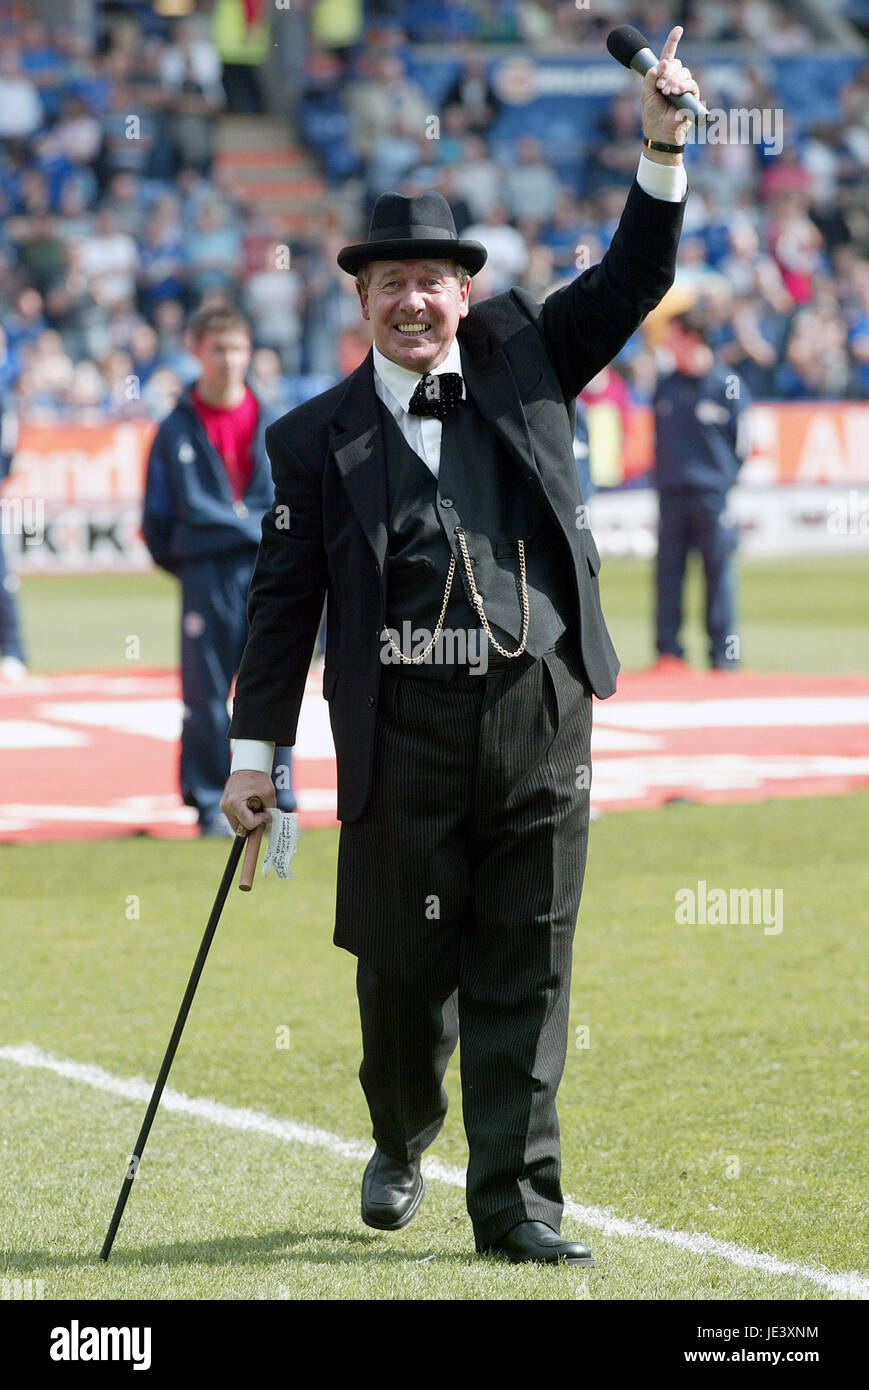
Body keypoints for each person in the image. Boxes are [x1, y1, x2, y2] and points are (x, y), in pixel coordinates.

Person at [221, 28, 699, 1264]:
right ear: (361, 299)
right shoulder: (309, 439)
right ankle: (399, 1128)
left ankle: (517, 1205)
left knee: (525, 966)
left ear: (464, 291)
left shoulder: (528, 355)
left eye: (435, 277)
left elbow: (633, 274)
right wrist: (251, 750)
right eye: (392, 281)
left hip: (540, 715)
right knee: (397, 978)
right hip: (401, 733)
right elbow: (280, 605)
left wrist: (660, 142)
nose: (416, 298)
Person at [142, 304, 296, 835]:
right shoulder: (174, 429)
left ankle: (279, 798)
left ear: (249, 352)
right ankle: (209, 802)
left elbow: (296, 504)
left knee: (274, 684)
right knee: (204, 695)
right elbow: (156, 522)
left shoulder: (275, 420)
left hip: (267, 572)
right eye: (218, 350)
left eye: (237, 349)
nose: (229, 361)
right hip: (206, 577)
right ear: (196, 354)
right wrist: (196, 560)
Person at [652, 308, 751, 672]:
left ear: (691, 338)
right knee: (668, 574)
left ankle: (724, 656)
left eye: (672, 335)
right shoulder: (665, 384)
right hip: (671, 494)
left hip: (712, 496)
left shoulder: (727, 384)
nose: (665, 343)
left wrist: (725, 482)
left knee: (719, 574)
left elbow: (743, 442)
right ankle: (668, 653)